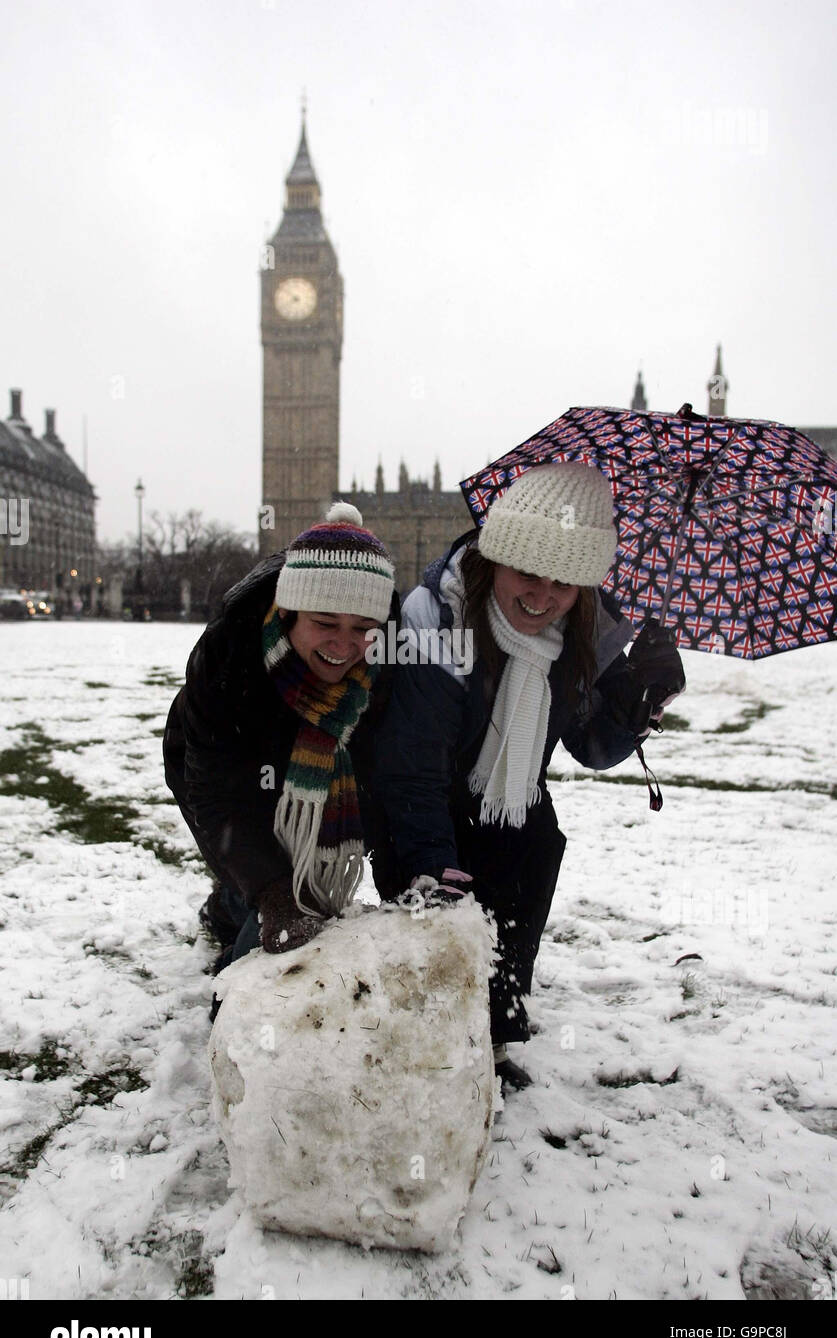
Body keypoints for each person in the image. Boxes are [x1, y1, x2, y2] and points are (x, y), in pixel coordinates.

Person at [367, 462, 685, 1091]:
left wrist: (637, 699)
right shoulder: (437, 618)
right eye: (527, 574)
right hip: (419, 799)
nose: (542, 597)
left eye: (564, 582)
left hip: (509, 800)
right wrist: (433, 864)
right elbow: (411, 765)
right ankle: (431, 1028)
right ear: (495, 560)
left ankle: (494, 1029)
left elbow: (591, 746)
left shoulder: (587, 631)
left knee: (535, 842)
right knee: (443, 897)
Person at [163, 503, 398, 1012]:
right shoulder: (230, 651)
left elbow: (388, 769)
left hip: (313, 772)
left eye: (363, 627)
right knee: (269, 885)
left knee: (300, 877)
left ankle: (230, 902)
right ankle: (239, 902)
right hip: (217, 765)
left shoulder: (386, 659)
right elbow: (220, 796)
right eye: (325, 623)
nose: (345, 644)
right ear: (287, 612)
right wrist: (272, 895)